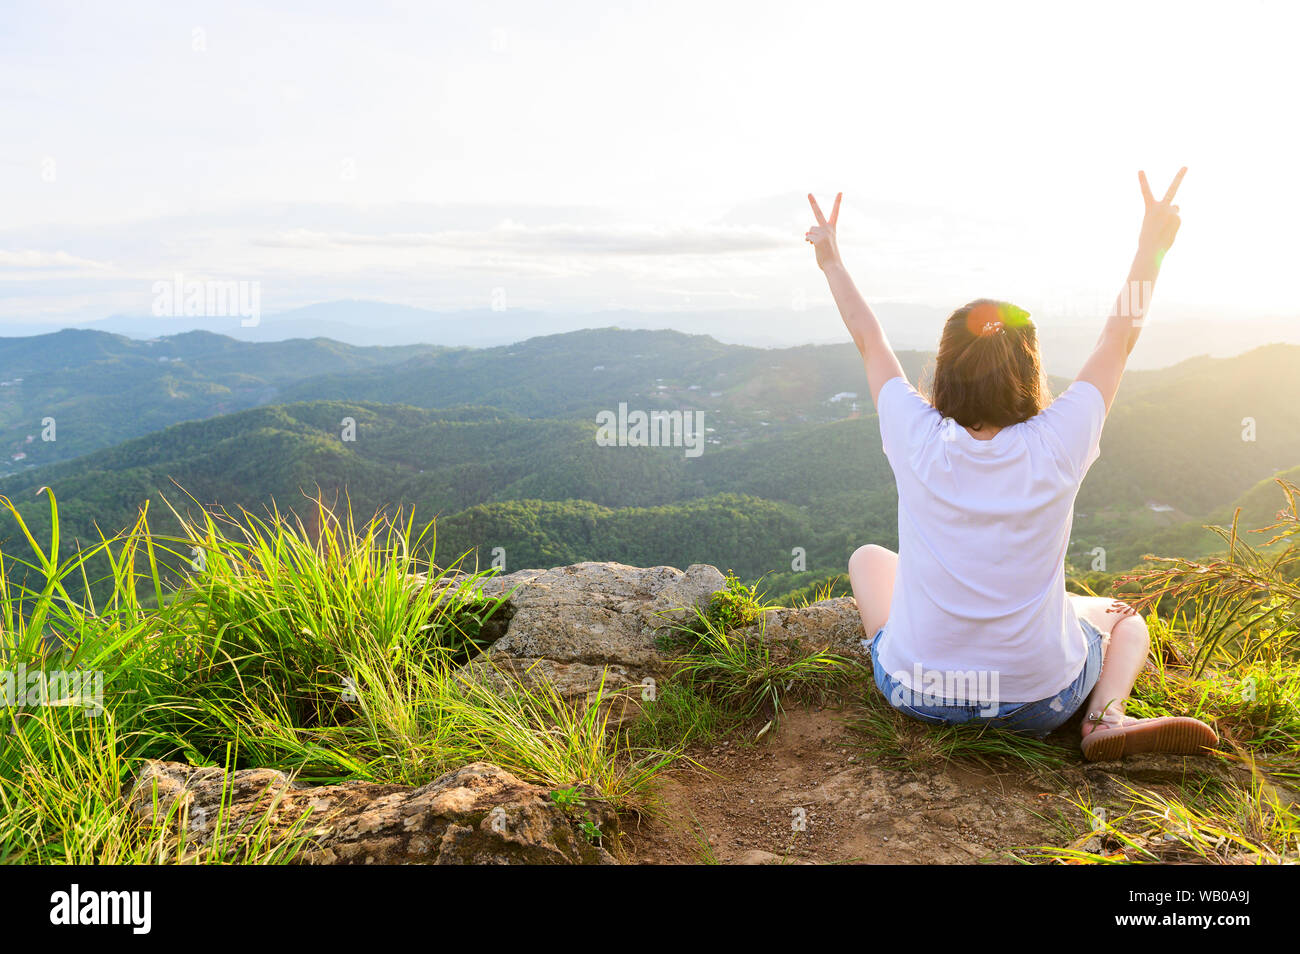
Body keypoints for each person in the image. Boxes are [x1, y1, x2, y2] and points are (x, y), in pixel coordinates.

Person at [806, 170, 1218, 761]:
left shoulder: (915, 430)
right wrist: (1151, 246)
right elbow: (1118, 338)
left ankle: (900, 653)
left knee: (868, 558)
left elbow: (869, 339)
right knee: (1122, 619)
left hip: (918, 694)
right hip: (1039, 700)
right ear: (1030, 370)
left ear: (943, 370)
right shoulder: (1061, 437)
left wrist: (830, 260)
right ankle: (1105, 719)